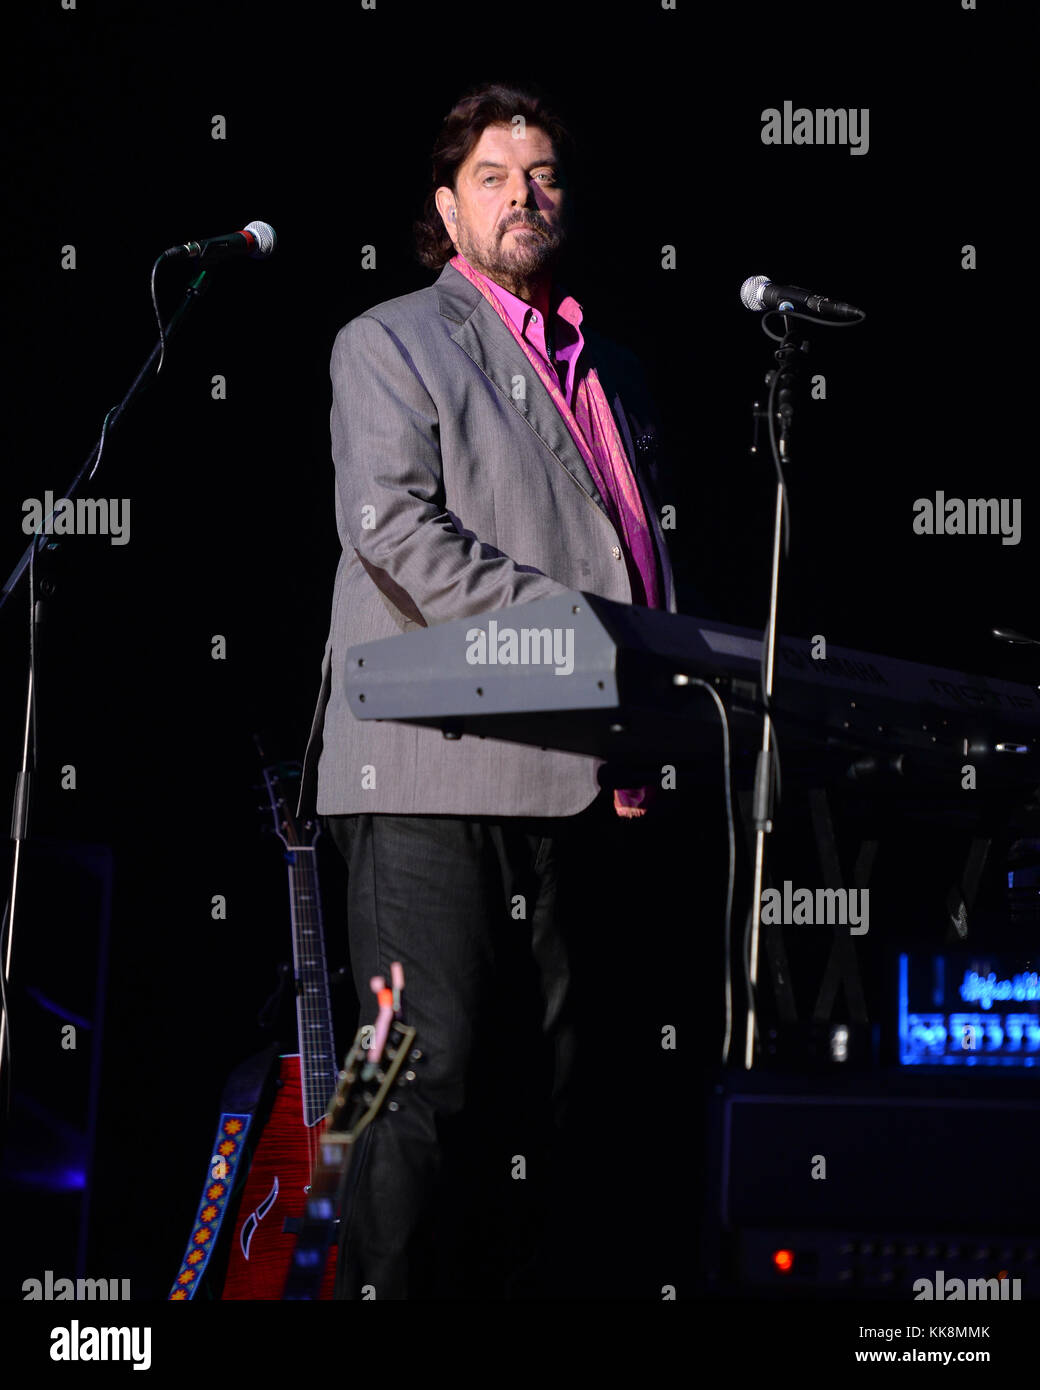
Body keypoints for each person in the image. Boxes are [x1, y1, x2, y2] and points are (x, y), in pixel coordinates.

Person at [299, 80, 678, 1299]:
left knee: (559, 1102)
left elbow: (635, 553)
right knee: (408, 1079)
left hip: (572, 775)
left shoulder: (608, 365)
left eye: (545, 175)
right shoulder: (387, 339)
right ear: (444, 209)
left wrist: (639, 719)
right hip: (423, 765)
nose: (526, 195)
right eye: (495, 177)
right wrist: (585, 647)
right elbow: (394, 533)